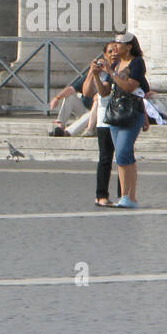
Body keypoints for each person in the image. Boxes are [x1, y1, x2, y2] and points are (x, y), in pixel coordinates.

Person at [88, 32, 149, 209]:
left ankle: (131, 196)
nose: (115, 46)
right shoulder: (115, 63)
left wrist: (111, 72)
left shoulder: (137, 62)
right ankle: (126, 196)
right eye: (114, 43)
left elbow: (130, 86)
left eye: (119, 43)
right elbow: (104, 92)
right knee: (123, 157)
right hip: (115, 113)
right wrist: (95, 75)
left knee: (122, 152)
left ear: (129, 46)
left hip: (131, 112)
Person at [81, 42, 121, 205]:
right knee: (105, 158)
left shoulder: (122, 68)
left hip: (122, 118)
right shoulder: (101, 71)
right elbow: (87, 92)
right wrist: (92, 72)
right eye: (110, 51)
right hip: (105, 120)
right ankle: (101, 195)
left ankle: (123, 195)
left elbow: (106, 89)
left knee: (123, 158)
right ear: (104, 55)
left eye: (117, 51)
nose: (114, 54)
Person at [48, 67, 95, 136]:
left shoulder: (107, 80)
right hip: (85, 110)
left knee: (92, 113)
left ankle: (67, 132)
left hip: (96, 116)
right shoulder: (87, 78)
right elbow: (70, 89)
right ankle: (60, 123)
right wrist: (57, 98)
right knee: (70, 96)